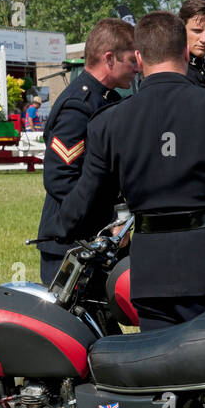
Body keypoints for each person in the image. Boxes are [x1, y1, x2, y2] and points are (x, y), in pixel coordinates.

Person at [57, 11, 205, 330]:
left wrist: (60, 229)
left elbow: (82, 207)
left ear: (139, 57)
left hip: (153, 277)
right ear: (183, 51)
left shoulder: (108, 123)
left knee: (167, 376)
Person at [34, 18, 138, 284]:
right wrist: (109, 222)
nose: (137, 67)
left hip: (96, 241)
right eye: (131, 59)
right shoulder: (78, 106)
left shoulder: (106, 99)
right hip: (71, 246)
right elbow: (61, 180)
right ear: (109, 58)